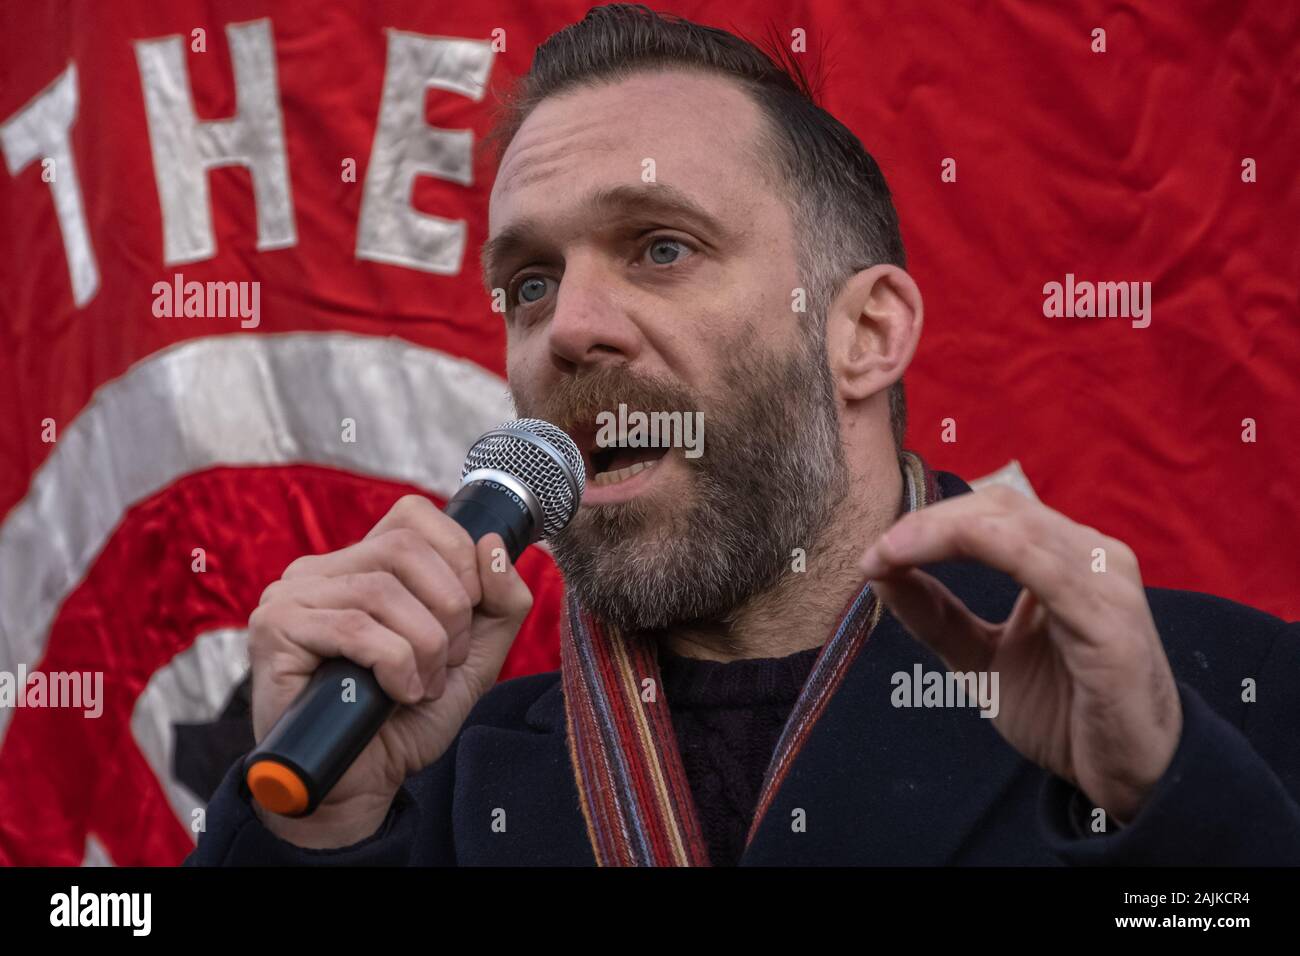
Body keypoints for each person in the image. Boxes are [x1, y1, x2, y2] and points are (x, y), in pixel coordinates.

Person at [188, 4, 1299, 866]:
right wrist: (316, 839)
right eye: (529, 280)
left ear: (865, 331)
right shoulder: (411, 789)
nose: (567, 327)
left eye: (660, 247)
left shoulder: (1219, 699)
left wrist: (1175, 803)